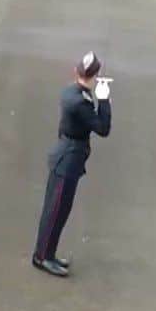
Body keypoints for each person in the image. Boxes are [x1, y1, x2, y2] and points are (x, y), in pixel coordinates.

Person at [32, 52, 111, 277]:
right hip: (67, 160)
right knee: (56, 211)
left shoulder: (71, 93)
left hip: (65, 155)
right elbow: (103, 128)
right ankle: (42, 257)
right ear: (95, 75)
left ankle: (47, 253)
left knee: (59, 210)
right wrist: (104, 101)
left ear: (76, 72)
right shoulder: (81, 101)